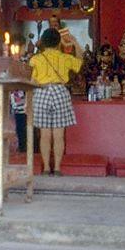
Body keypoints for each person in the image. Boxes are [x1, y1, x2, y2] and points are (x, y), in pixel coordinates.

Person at [28, 28, 83, 176]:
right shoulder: (65, 57)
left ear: (42, 43)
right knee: (59, 134)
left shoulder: (36, 59)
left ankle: (46, 168)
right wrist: (75, 42)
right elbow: (80, 62)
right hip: (60, 92)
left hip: (42, 92)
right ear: (59, 42)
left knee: (44, 134)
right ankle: (57, 168)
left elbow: (32, 81)